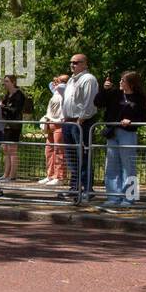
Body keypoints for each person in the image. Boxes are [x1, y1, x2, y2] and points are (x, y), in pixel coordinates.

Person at [97, 70, 146, 210]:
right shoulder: (114, 94)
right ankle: (113, 196)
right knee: (111, 165)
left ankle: (129, 197)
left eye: (123, 80)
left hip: (128, 133)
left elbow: (143, 118)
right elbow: (98, 102)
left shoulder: (139, 98)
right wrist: (104, 89)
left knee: (129, 166)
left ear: (131, 83)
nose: (120, 82)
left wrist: (131, 121)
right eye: (120, 80)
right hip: (112, 133)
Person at [61, 53, 99, 201]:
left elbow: (90, 102)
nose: (72, 65)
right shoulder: (71, 80)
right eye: (71, 62)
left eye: (76, 62)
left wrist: (81, 119)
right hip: (69, 122)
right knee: (72, 157)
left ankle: (87, 189)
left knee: (83, 156)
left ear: (85, 64)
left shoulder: (88, 79)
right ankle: (74, 187)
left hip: (81, 122)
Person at [39, 74, 68, 185]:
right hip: (50, 123)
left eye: (61, 81)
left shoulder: (65, 91)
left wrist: (60, 82)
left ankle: (60, 177)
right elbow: (50, 84)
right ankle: (50, 175)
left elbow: (61, 87)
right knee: (49, 151)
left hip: (59, 124)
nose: (57, 82)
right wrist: (55, 81)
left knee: (59, 151)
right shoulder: (55, 92)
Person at [0, 75, 29, 181]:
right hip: (6, 124)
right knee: (5, 149)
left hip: (14, 125)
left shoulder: (19, 94)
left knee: (12, 150)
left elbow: (16, 110)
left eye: (7, 81)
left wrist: (3, 107)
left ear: (13, 82)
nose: (5, 84)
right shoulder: (7, 95)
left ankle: (12, 175)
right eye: (4, 81)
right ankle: (5, 174)